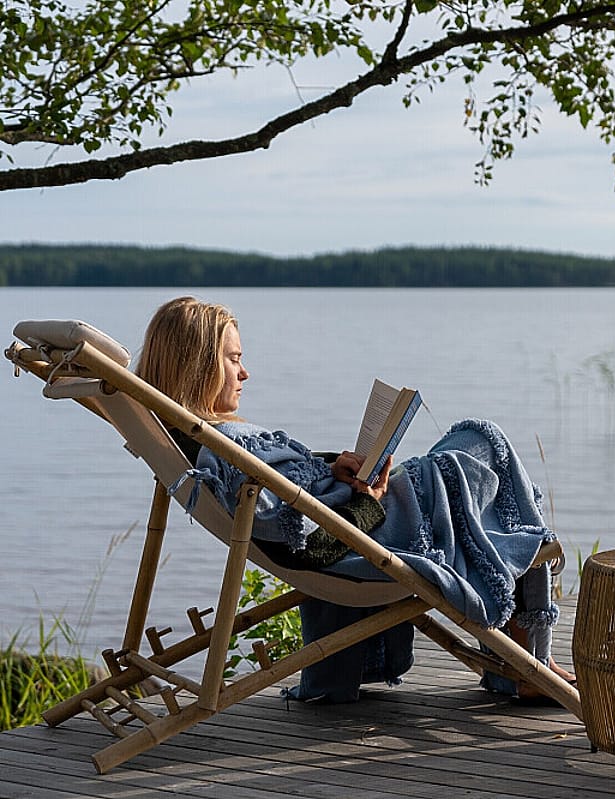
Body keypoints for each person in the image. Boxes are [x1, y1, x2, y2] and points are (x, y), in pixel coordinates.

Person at [136, 296, 574, 703]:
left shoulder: (199, 441)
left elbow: (293, 502)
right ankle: (529, 661)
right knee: (482, 440)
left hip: (360, 509)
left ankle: (522, 661)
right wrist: (369, 501)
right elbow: (309, 547)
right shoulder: (222, 453)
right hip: (374, 530)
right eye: (233, 359)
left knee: (477, 453)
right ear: (196, 366)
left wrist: (330, 470)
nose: (245, 373)